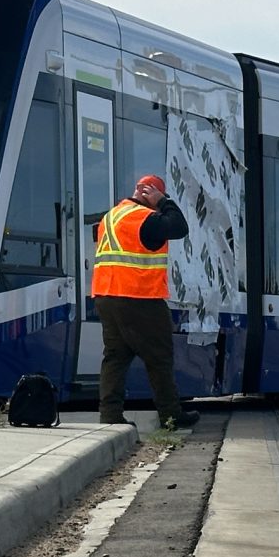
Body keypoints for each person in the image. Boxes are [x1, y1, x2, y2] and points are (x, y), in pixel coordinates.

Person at [93, 174, 199, 429]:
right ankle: (171, 416)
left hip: (106, 295)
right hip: (138, 297)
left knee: (115, 357)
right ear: (151, 194)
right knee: (159, 357)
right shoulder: (142, 218)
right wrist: (164, 201)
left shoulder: (112, 216)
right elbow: (179, 227)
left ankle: (110, 415)